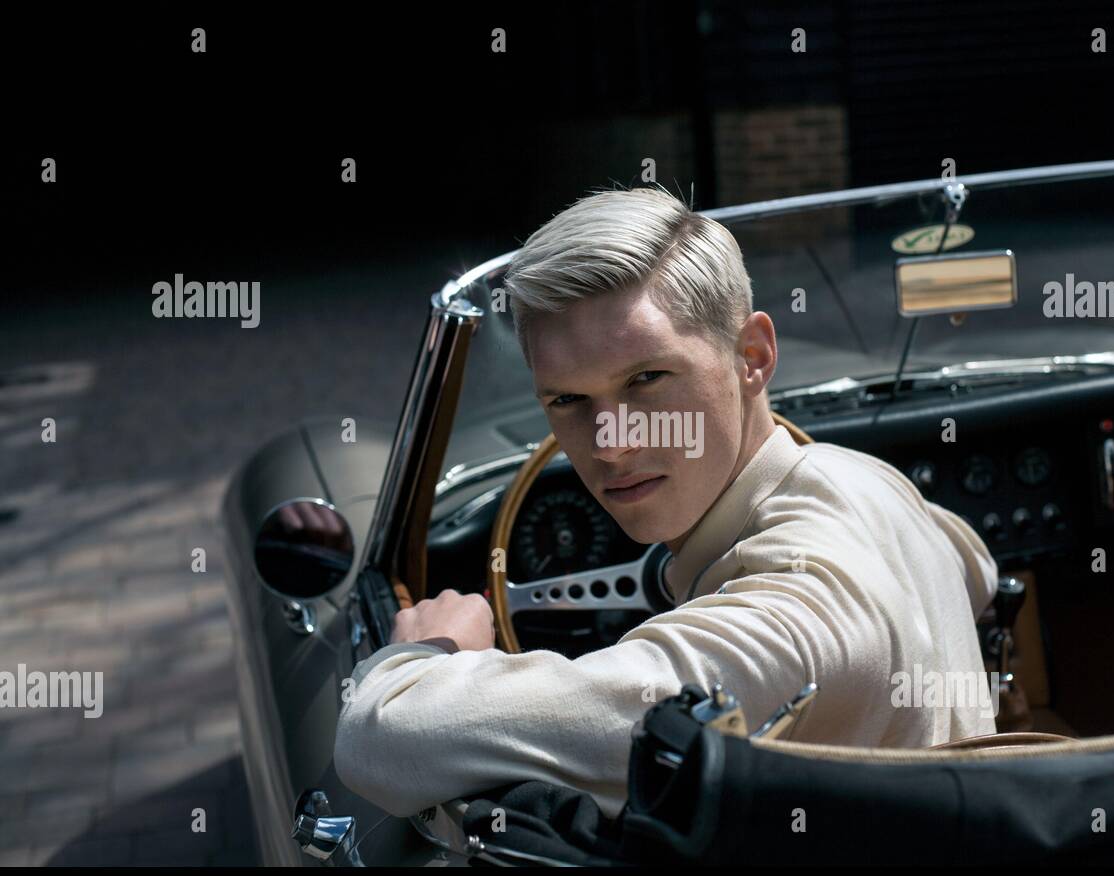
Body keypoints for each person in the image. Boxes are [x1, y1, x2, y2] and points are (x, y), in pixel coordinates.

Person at [334, 186, 999, 820]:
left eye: (646, 379)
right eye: (568, 401)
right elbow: (977, 565)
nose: (611, 445)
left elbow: (380, 739)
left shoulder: (785, 626)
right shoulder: (869, 480)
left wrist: (435, 652)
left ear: (753, 356)